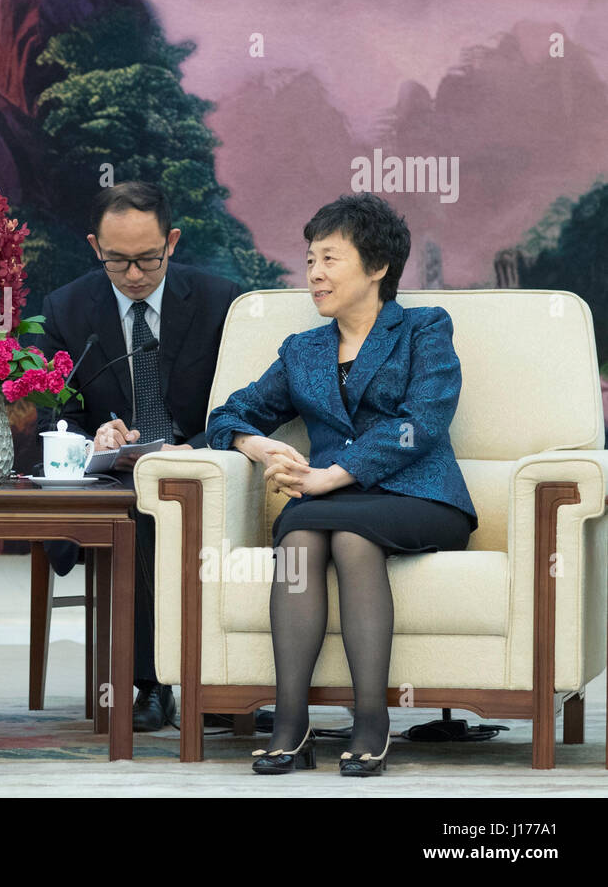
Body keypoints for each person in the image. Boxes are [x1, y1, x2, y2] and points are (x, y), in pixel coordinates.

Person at [205, 193, 475, 776]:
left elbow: (423, 422)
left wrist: (334, 473)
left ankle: (372, 721)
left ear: (377, 267)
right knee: (305, 536)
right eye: (309, 261)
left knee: (329, 527)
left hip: (421, 495)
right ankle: (291, 725)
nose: (315, 274)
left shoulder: (423, 328)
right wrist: (256, 445)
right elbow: (230, 414)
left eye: (330, 258)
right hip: (331, 504)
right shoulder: (303, 351)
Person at [39, 182, 241, 732]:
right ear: (93, 247)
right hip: (116, 483)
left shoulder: (220, 301)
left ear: (172, 242)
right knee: (138, 514)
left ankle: (222, 682)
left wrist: (188, 449)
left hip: (201, 464)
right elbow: (57, 418)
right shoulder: (67, 308)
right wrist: (93, 439)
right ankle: (151, 683)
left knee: (168, 502)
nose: (133, 275)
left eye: (148, 259)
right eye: (117, 261)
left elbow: (242, 407)